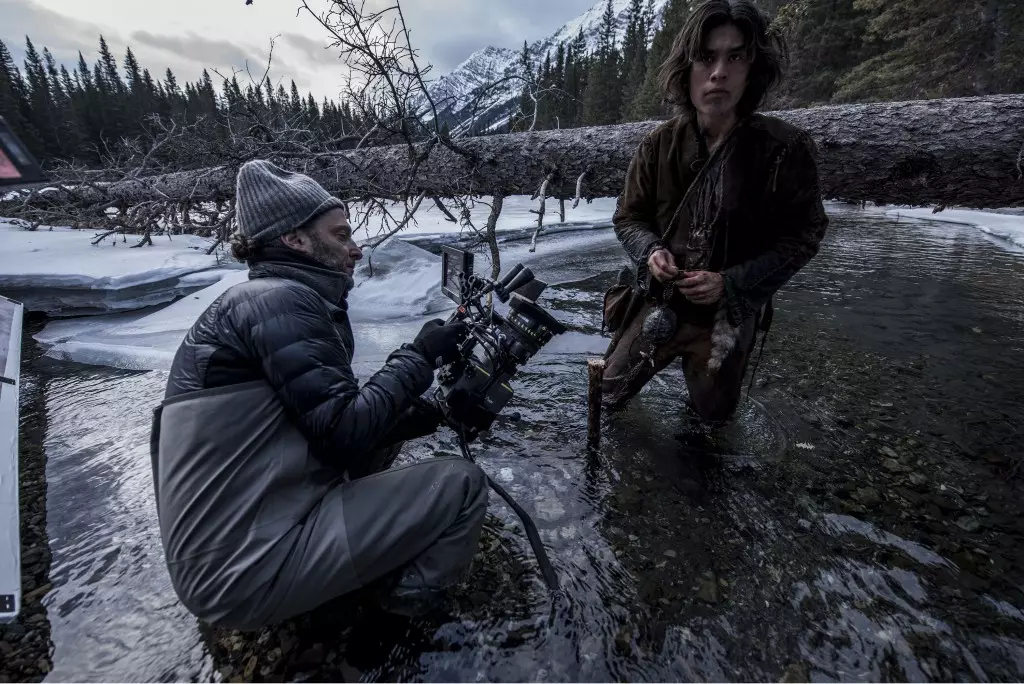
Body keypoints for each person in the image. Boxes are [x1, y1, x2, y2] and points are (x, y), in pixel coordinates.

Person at [149, 160, 488, 631]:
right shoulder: (279, 302)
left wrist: (421, 415)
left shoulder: (265, 297)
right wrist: (419, 357)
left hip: (229, 548)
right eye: (341, 235)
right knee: (462, 485)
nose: (355, 248)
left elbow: (312, 423)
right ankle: (404, 626)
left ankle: (343, 579)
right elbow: (342, 434)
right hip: (239, 575)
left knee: (385, 435)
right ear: (295, 240)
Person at [601, 0, 828, 423]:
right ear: (686, 70)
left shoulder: (784, 149)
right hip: (659, 304)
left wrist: (731, 283)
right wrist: (650, 251)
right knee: (604, 397)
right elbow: (628, 218)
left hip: (728, 317)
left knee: (711, 426)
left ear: (752, 67)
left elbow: (805, 236)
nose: (718, 72)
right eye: (705, 58)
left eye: (735, 56)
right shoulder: (658, 145)